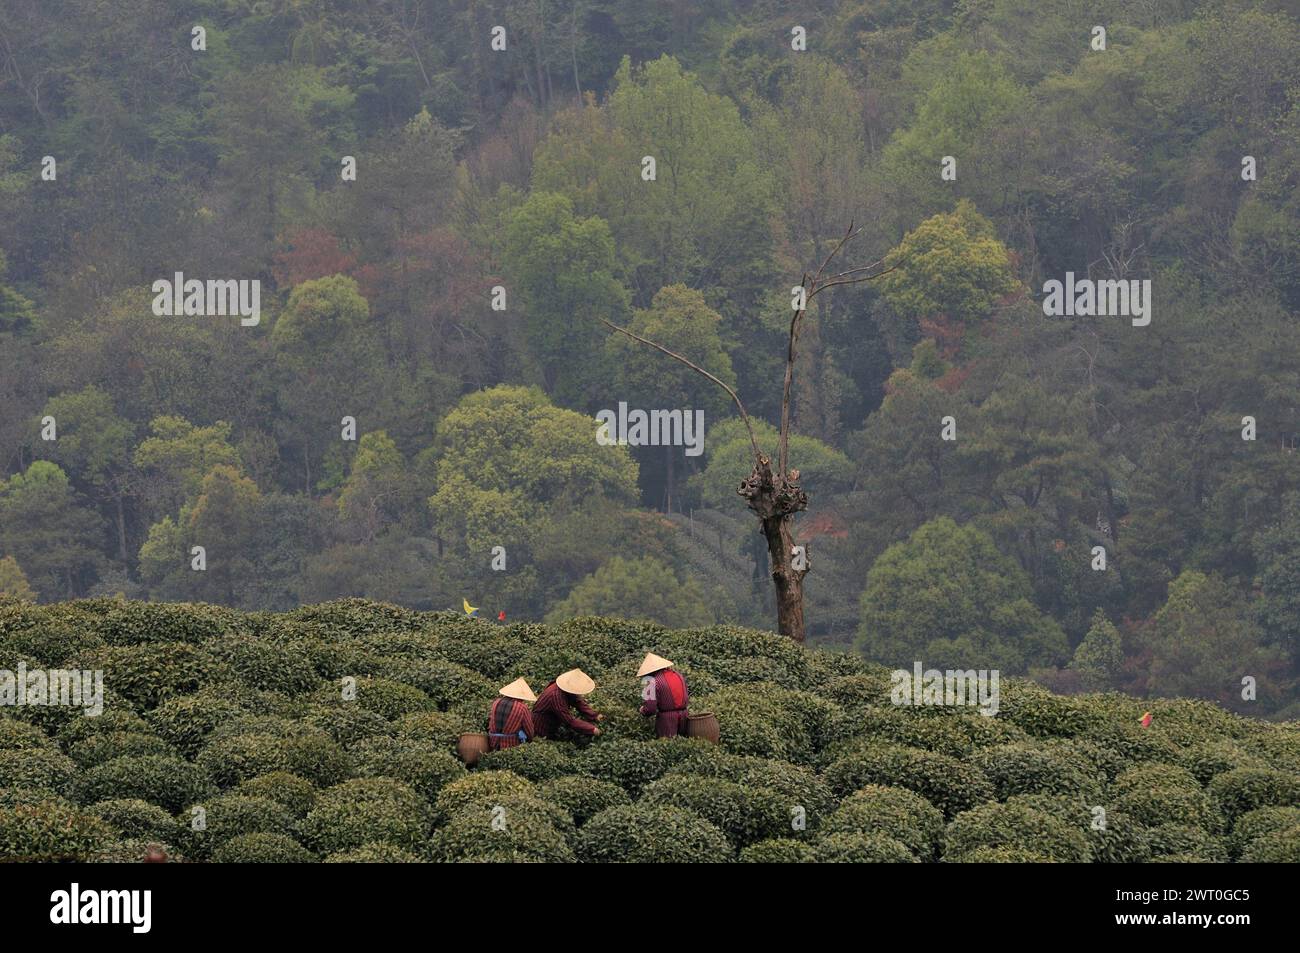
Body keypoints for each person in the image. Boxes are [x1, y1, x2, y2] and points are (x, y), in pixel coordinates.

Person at [533, 669, 602, 739]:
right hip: (540, 729)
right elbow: (569, 721)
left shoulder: (566, 688)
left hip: (551, 725)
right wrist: (592, 729)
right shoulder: (556, 696)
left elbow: (578, 702)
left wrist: (595, 715)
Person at [638, 653, 689, 738]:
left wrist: (642, 710)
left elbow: (650, 709)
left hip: (667, 721)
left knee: (667, 748)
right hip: (685, 717)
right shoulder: (678, 675)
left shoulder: (651, 682)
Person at [487, 678, 536, 751]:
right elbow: (529, 730)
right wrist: (530, 739)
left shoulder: (496, 702)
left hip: (493, 742)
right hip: (510, 746)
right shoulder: (522, 708)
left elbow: (490, 721)